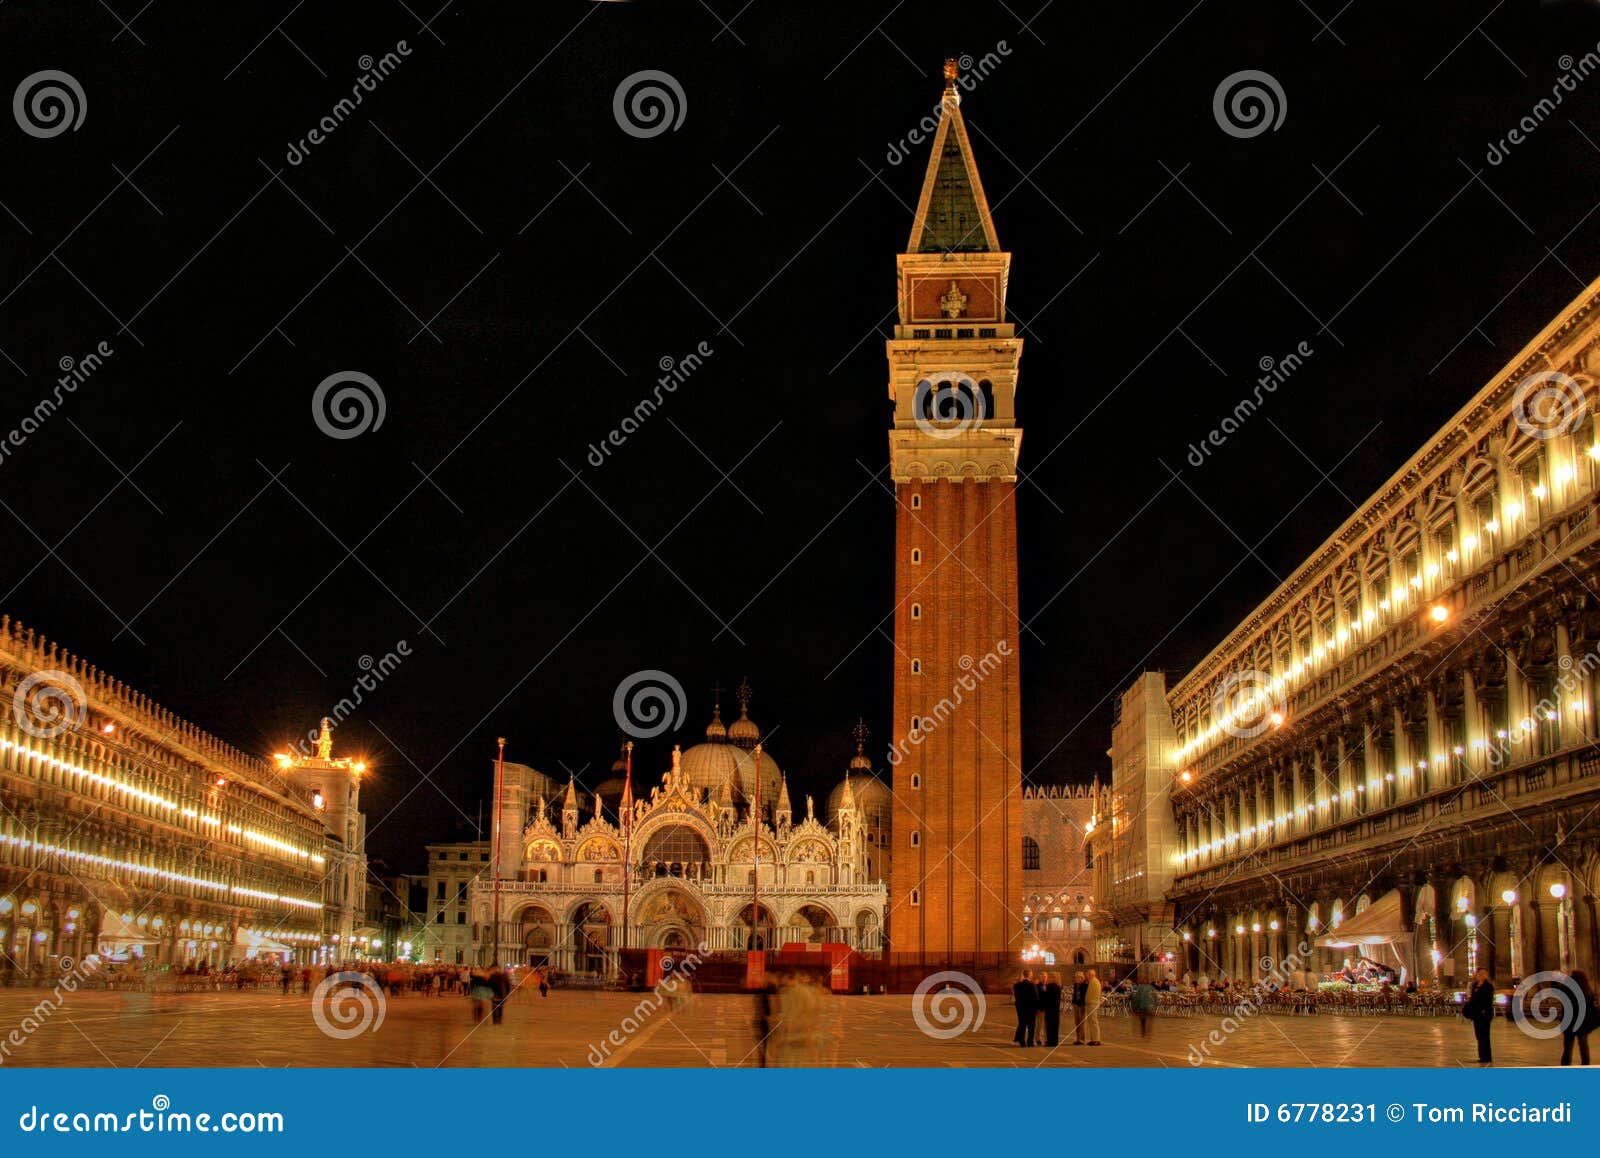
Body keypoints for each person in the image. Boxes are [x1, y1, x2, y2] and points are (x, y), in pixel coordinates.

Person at [1559, 970, 1597, 1066]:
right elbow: (1590, 1008)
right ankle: (1585, 1066)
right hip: (1582, 1024)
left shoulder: (1567, 989)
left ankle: (1565, 1067)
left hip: (1569, 1024)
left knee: (1567, 1048)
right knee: (1583, 1047)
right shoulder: (1587, 990)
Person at [1464, 967, 1496, 1065]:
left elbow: (1488, 1001)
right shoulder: (1474, 985)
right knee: (1478, 1035)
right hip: (1476, 1014)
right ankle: (1482, 1056)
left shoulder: (1488, 986)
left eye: (1483, 973)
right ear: (1476, 975)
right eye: (1480, 973)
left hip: (1484, 1014)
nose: (1481, 975)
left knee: (1485, 1036)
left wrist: (1483, 1010)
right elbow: (1473, 998)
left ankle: (1487, 1057)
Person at [1012, 970, 1037, 1047]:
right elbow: (1035, 998)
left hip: (1021, 1009)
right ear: (1029, 975)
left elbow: (1016, 997)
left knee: (1022, 1024)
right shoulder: (1032, 985)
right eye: (1031, 973)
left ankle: (1022, 1041)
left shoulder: (1017, 985)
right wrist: (1036, 1007)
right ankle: (1030, 1041)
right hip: (1030, 1008)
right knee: (1031, 1026)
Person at [1041, 972, 1063, 1046]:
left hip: (1049, 1008)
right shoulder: (1058, 986)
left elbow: (1047, 997)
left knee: (1049, 1025)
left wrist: (1044, 991)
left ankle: (1050, 1041)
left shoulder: (1050, 986)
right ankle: (1054, 1041)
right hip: (1055, 1009)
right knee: (1055, 1026)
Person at [1082, 969, 1104, 1046]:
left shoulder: (1094, 982)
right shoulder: (1092, 981)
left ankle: (1096, 1039)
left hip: (1092, 1004)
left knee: (1094, 1021)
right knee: (1091, 1022)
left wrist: (1088, 1001)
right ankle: (1093, 1038)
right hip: (1090, 1003)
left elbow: (1093, 994)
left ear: (1090, 975)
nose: (1086, 976)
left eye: (1087, 974)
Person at [1070, 971, 1088, 1044]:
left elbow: (1084, 995)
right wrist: (1073, 1002)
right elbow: (1075, 994)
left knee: (1082, 1022)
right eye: (1076, 977)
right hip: (1076, 1004)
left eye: (1077, 977)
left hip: (1082, 1005)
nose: (1076, 979)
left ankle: (1082, 1039)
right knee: (1077, 1022)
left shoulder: (1085, 985)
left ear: (1081, 977)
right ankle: (1078, 1038)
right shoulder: (1076, 985)